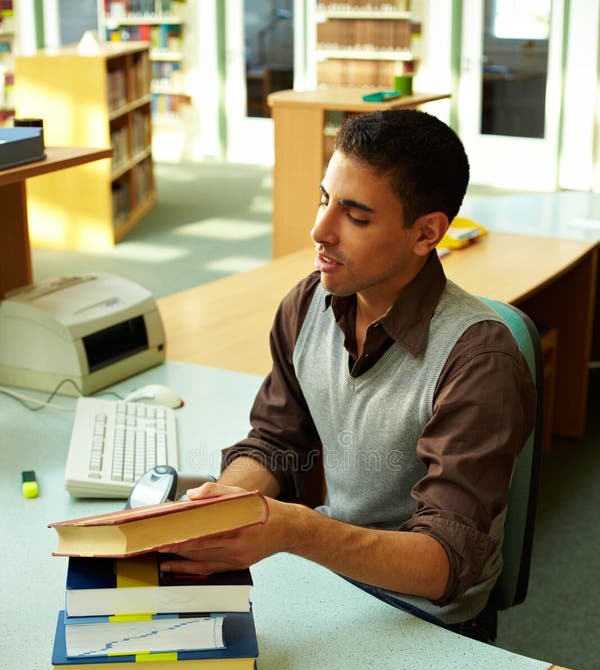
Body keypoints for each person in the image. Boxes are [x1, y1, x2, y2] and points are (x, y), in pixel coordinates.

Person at [160, 109, 536, 636]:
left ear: (426, 233)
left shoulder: (478, 361)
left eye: (356, 217)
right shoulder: (309, 301)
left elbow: (444, 562)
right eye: (324, 199)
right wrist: (230, 502)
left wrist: (297, 528)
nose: (319, 230)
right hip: (334, 574)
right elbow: (274, 439)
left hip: (427, 616)